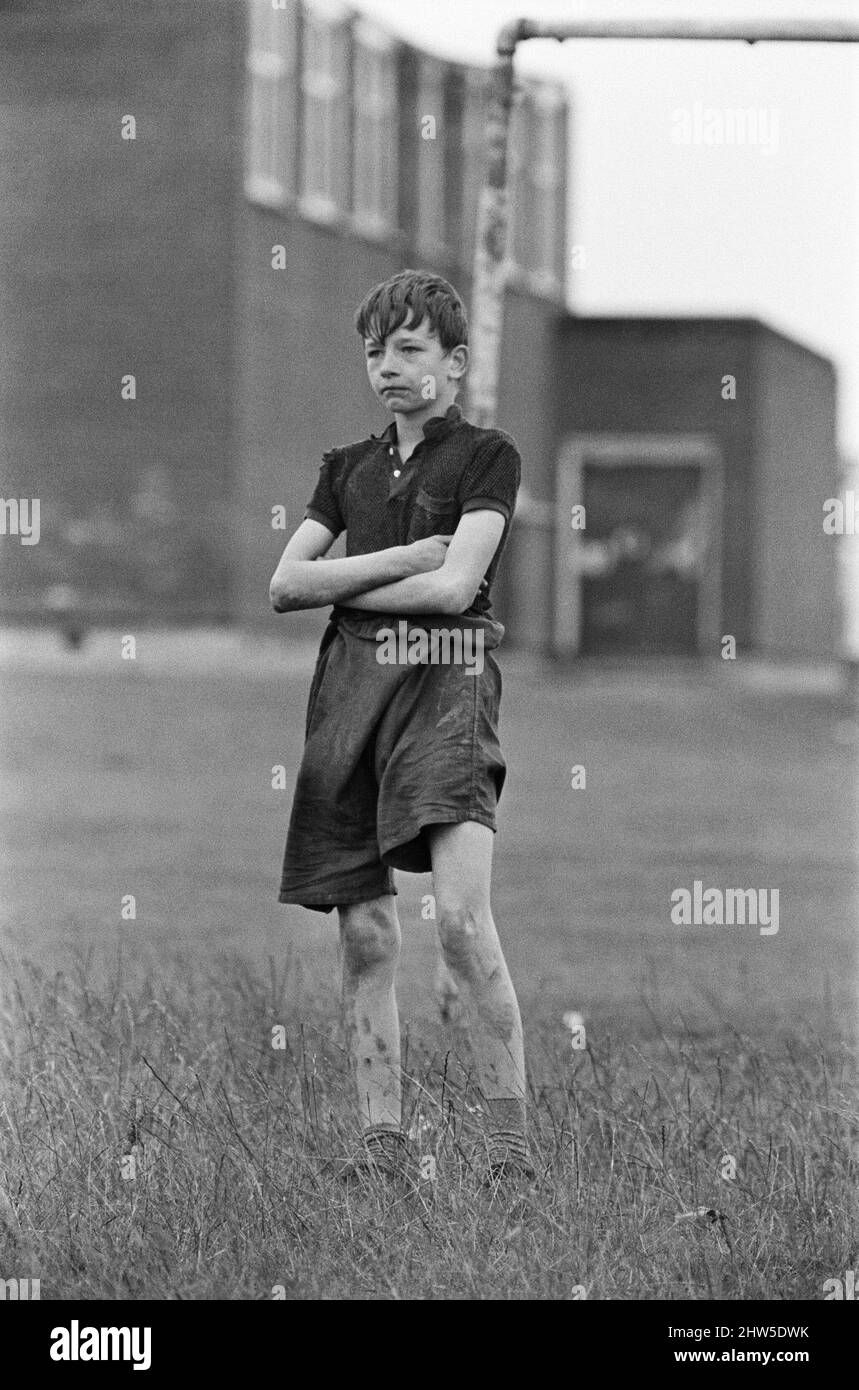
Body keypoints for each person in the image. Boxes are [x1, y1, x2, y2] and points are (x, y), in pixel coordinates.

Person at [270, 269, 533, 1187]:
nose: (388, 366)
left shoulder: (486, 456)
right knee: (366, 934)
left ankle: (511, 1157)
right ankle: (382, 1152)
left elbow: (454, 587)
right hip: (350, 689)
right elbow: (283, 586)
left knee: (461, 921)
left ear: (454, 364)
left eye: (409, 349)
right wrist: (402, 557)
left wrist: (351, 581)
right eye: (375, 351)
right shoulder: (343, 469)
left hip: (447, 682)